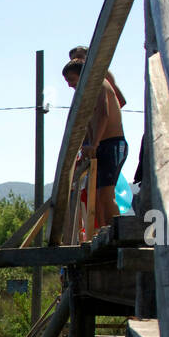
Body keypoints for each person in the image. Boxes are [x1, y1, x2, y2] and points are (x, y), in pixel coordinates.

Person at [64, 58, 127, 231]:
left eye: (71, 80)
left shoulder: (99, 83)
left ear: (82, 75)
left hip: (112, 144)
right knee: (98, 197)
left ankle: (117, 232)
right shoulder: (86, 94)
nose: (70, 85)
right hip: (101, 145)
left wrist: (95, 144)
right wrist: (87, 146)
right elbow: (89, 124)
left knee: (106, 195)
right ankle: (104, 231)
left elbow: (104, 115)